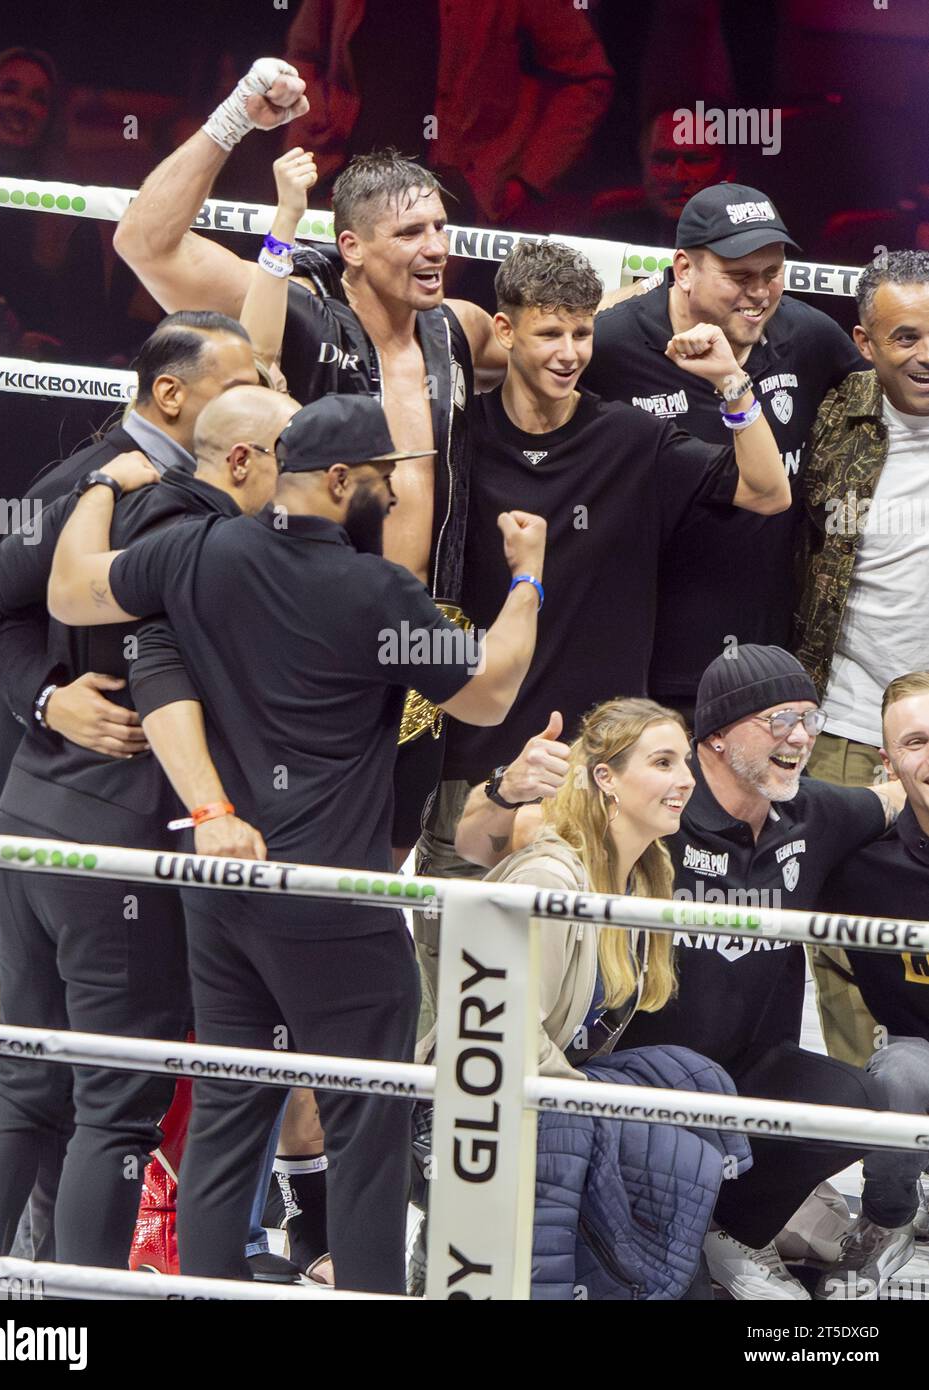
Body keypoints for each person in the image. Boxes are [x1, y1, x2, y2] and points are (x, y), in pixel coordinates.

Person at [46, 393, 546, 1293]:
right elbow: (490, 695)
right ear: (341, 479)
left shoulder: (200, 550)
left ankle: (203, 1286)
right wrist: (527, 580)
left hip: (224, 882)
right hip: (332, 898)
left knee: (233, 1110)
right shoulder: (373, 590)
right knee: (368, 1121)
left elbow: (71, 584)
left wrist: (95, 486)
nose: (395, 497)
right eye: (386, 478)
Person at [0, 386, 297, 1275]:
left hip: (35, 818)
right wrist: (47, 697)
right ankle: (75, 1316)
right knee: (114, 1106)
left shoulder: (125, 499)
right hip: (118, 847)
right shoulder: (205, 539)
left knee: (23, 1081)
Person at [112, 59, 502, 855]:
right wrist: (234, 120)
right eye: (410, 233)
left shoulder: (458, 328)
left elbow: (570, 332)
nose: (435, 248)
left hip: (414, 632)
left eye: (439, 227)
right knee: (283, 844)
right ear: (351, 246)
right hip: (296, 634)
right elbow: (144, 243)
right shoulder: (291, 305)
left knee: (387, 856)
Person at [414, 235, 790, 1024]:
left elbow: (766, 492)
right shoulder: (455, 442)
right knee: (454, 1011)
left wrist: (729, 381)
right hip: (476, 767)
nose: (569, 351)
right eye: (549, 332)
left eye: (582, 331)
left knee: (594, 1008)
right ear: (506, 332)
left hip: (602, 771)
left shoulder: (629, 439)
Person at [458, 645, 902, 1300]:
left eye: (810, 718)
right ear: (716, 736)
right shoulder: (654, 805)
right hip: (635, 1077)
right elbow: (486, 842)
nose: (802, 737)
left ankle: (734, 1230)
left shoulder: (812, 810)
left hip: (743, 1070)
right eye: (780, 719)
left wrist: (913, 765)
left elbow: (888, 797)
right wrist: (502, 791)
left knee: (855, 1104)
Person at [583, 182, 867, 727]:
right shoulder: (611, 345)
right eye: (739, 277)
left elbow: (892, 402)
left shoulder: (809, 338)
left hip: (766, 665)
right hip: (639, 665)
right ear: (684, 270)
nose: (759, 293)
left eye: (772, 273)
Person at [794, 250, 929, 1068]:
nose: (925, 353)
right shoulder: (835, 415)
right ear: (865, 341)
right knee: (844, 950)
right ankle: (870, 1151)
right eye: (904, 335)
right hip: (847, 723)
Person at [281, 0, 614, 226]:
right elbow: (305, 56)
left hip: (455, 203)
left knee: (441, 327)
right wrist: (316, 138)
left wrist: (525, 180)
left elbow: (587, 78)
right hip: (344, 191)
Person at [815, 671, 929, 1298]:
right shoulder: (862, 855)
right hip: (921, 1055)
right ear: (889, 764)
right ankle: (887, 1222)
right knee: (898, 1075)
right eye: (915, 743)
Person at [0, 47, 106, 360]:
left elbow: (90, 343)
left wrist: (38, 353)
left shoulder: (72, 219)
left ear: (50, 119)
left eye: (39, 99)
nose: (22, 106)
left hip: (32, 396)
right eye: (9, 90)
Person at [592, 105, 737, 249]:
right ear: (643, 164)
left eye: (696, 160)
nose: (678, 177)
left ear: (727, 171)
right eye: (663, 160)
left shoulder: (751, 246)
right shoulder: (608, 232)